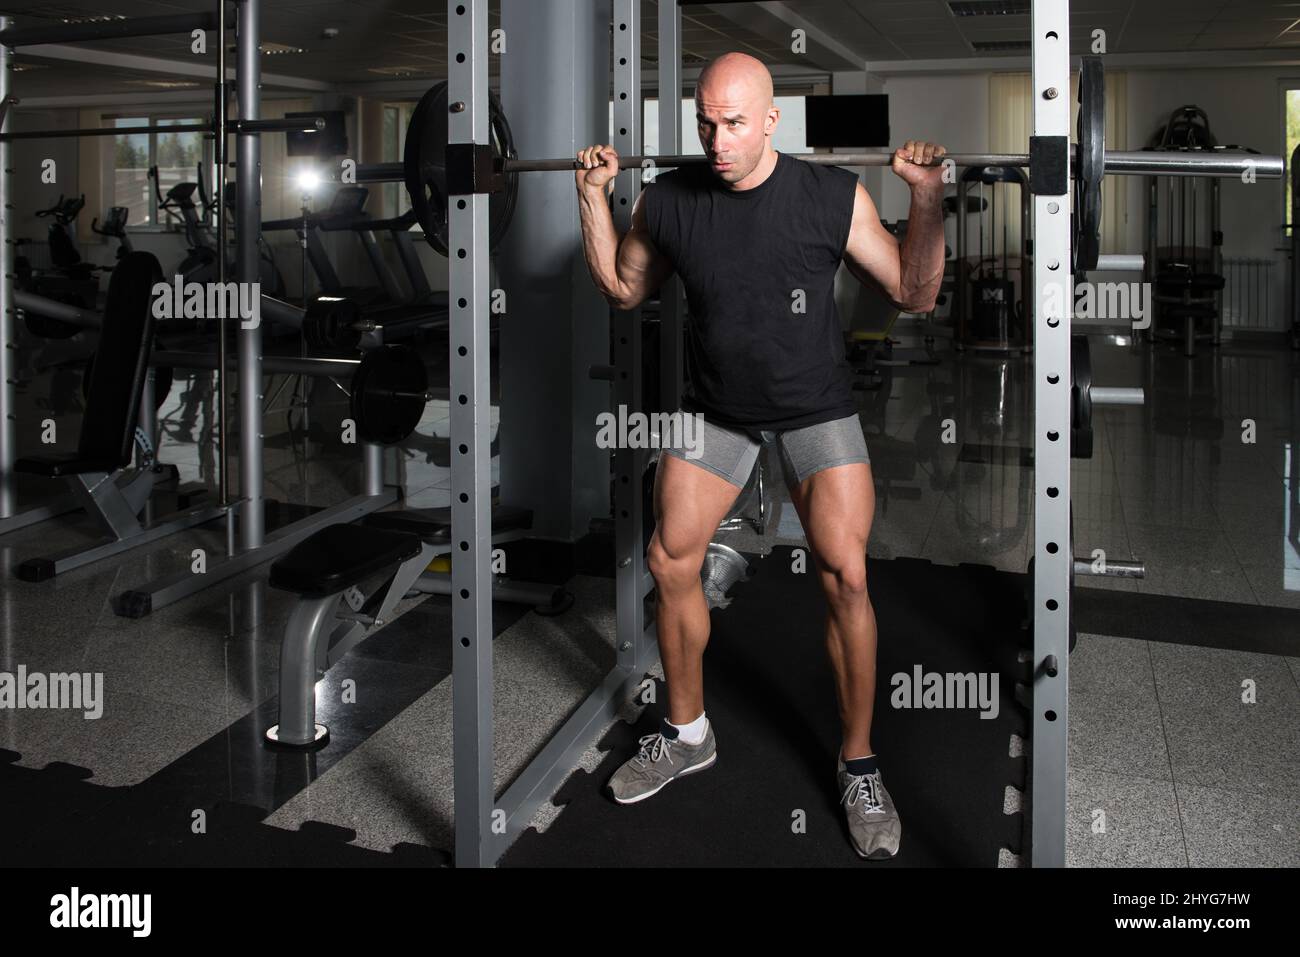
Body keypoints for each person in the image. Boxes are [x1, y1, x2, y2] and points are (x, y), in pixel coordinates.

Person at [574, 51, 945, 860]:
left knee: (846, 574)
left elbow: (914, 292)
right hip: (718, 411)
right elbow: (622, 287)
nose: (718, 141)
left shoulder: (830, 196)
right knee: (669, 558)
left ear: (773, 120)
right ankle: (687, 730)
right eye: (705, 123)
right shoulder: (671, 200)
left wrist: (926, 198)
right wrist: (592, 197)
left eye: (735, 124)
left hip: (816, 407)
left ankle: (858, 762)